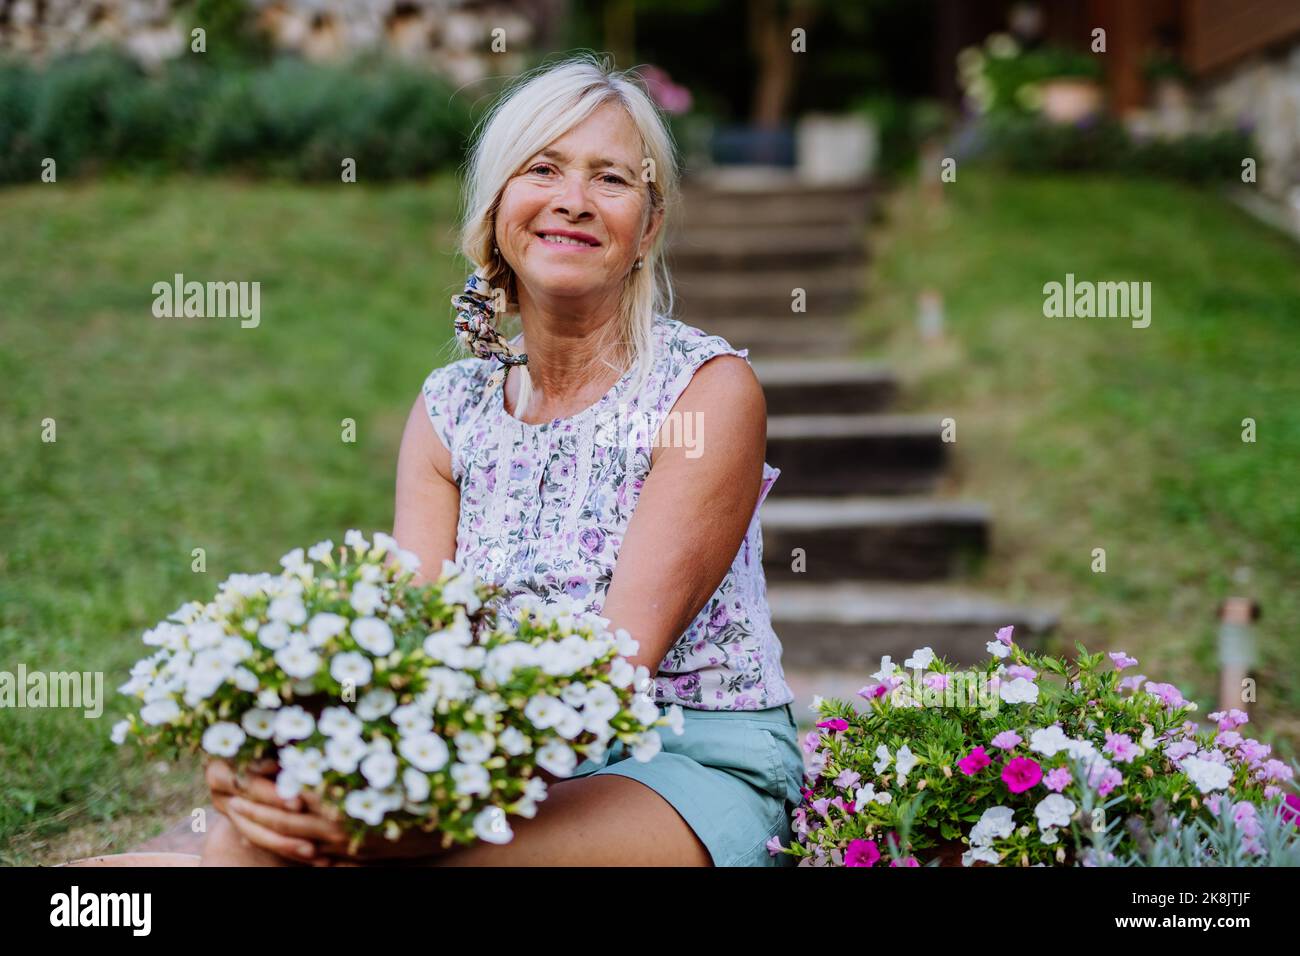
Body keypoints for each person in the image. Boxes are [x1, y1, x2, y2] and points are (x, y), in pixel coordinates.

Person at [202, 53, 800, 867]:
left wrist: (414, 812)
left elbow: (613, 674)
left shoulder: (706, 393)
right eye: (543, 168)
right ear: (495, 210)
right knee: (255, 836)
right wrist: (270, 747)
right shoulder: (450, 409)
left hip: (679, 759)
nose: (572, 201)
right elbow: (408, 649)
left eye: (612, 180)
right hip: (500, 760)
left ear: (648, 227)